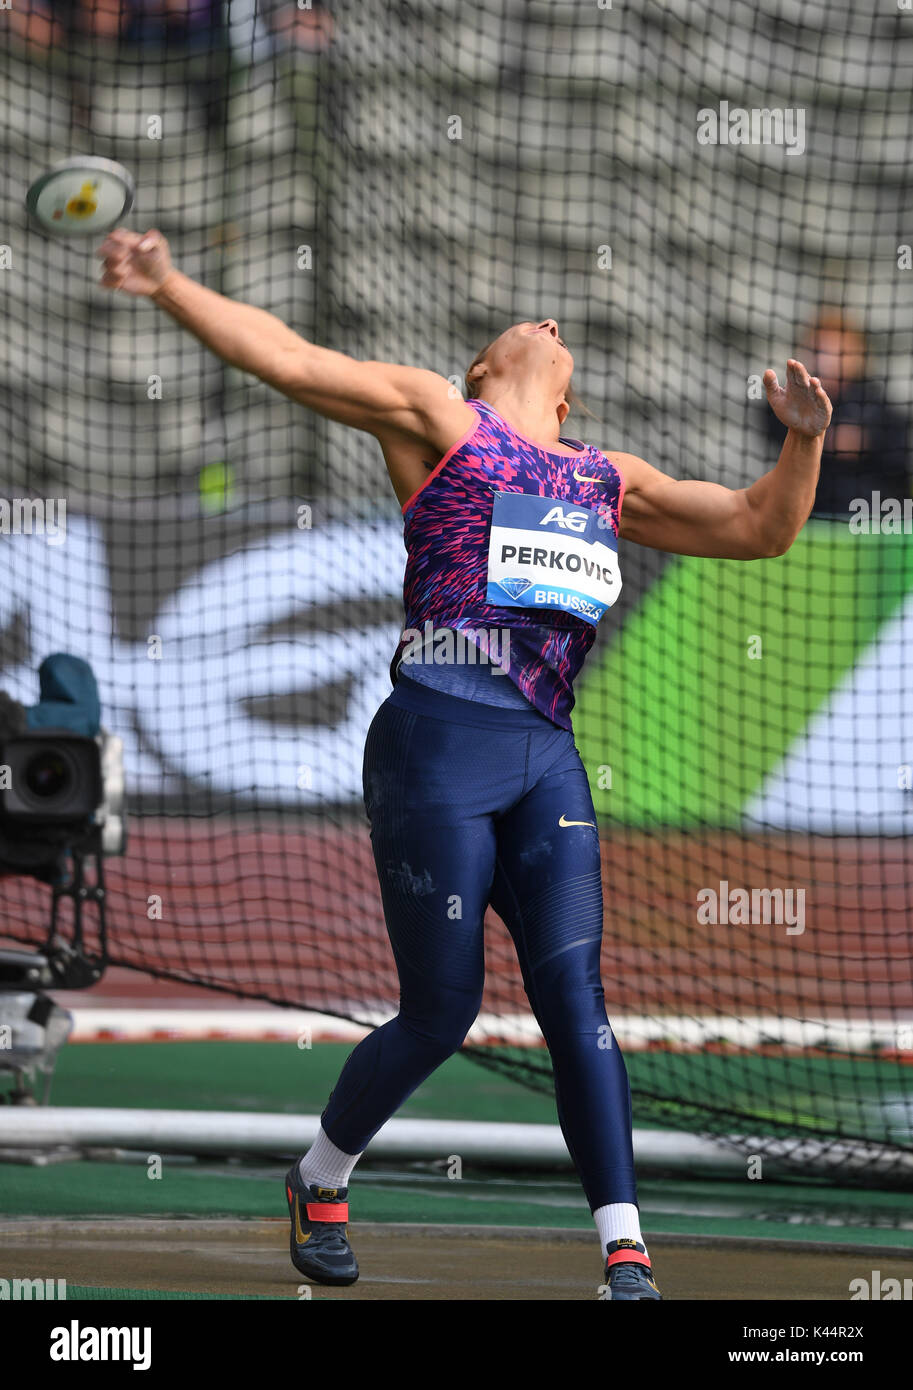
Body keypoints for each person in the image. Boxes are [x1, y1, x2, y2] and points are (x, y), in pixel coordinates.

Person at [97, 226, 832, 1300]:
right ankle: (320, 1175)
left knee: (575, 1002)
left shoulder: (606, 479)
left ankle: (624, 1251)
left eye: (558, 329)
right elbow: (285, 359)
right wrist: (163, 281)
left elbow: (761, 528)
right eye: (522, 326)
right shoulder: (442, 421)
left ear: (569, 403)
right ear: (482, 369)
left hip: (545, 760)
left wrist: (804, 442)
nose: (547, 322)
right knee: (440, 1011)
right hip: (434, 739)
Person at [761, 307, 909, 517]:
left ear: (857, 355)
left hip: (872, 518)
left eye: (836, 351)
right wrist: (822, 437)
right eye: (819, 350)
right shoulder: (794, 399)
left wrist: (866, 441)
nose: (826, 360)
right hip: (811, 514)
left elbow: (897, 454)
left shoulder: (875, 402)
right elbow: (773, 425)